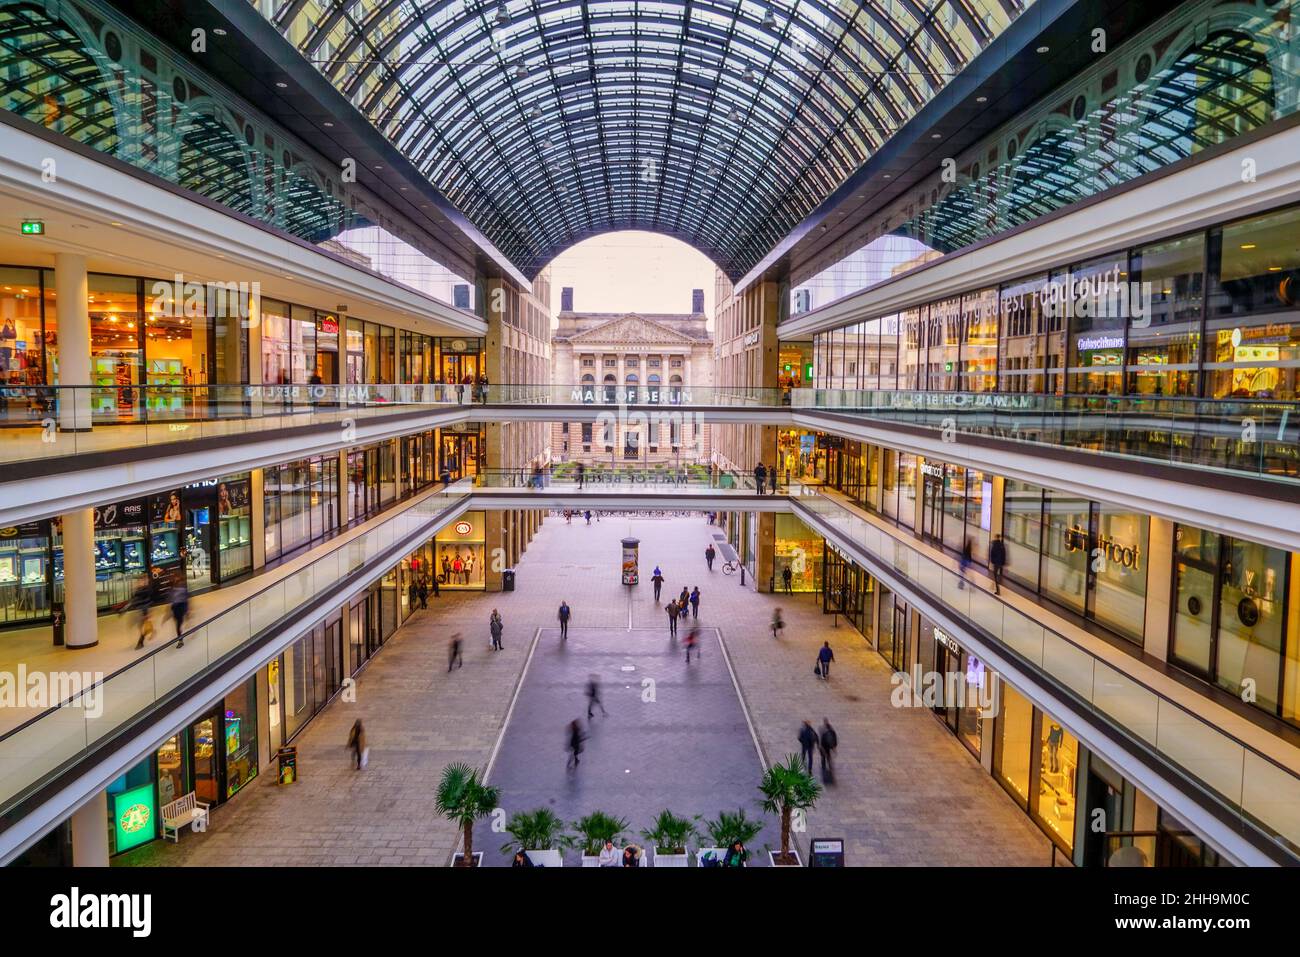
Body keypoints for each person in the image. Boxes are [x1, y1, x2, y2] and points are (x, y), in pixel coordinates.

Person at [169, 582, 189, 648]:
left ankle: (180, 640)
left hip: (180, 611)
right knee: (178, 626)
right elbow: (172, 602)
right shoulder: (173, 591)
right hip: (176, 611)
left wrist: (186, 612)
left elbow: (185, 602)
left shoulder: (182, 591)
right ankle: (180, 639)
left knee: (178, 626)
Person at [819, 718, 838, 783]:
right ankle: (829, 768)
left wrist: (821, 748)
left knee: (824, 759)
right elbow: (835, 740)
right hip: (828, 748)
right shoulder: (832, 732)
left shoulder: (824, 732)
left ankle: (824, 769)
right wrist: (834, 747)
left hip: (824, 748)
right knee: (828, 758)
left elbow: (821, 742)